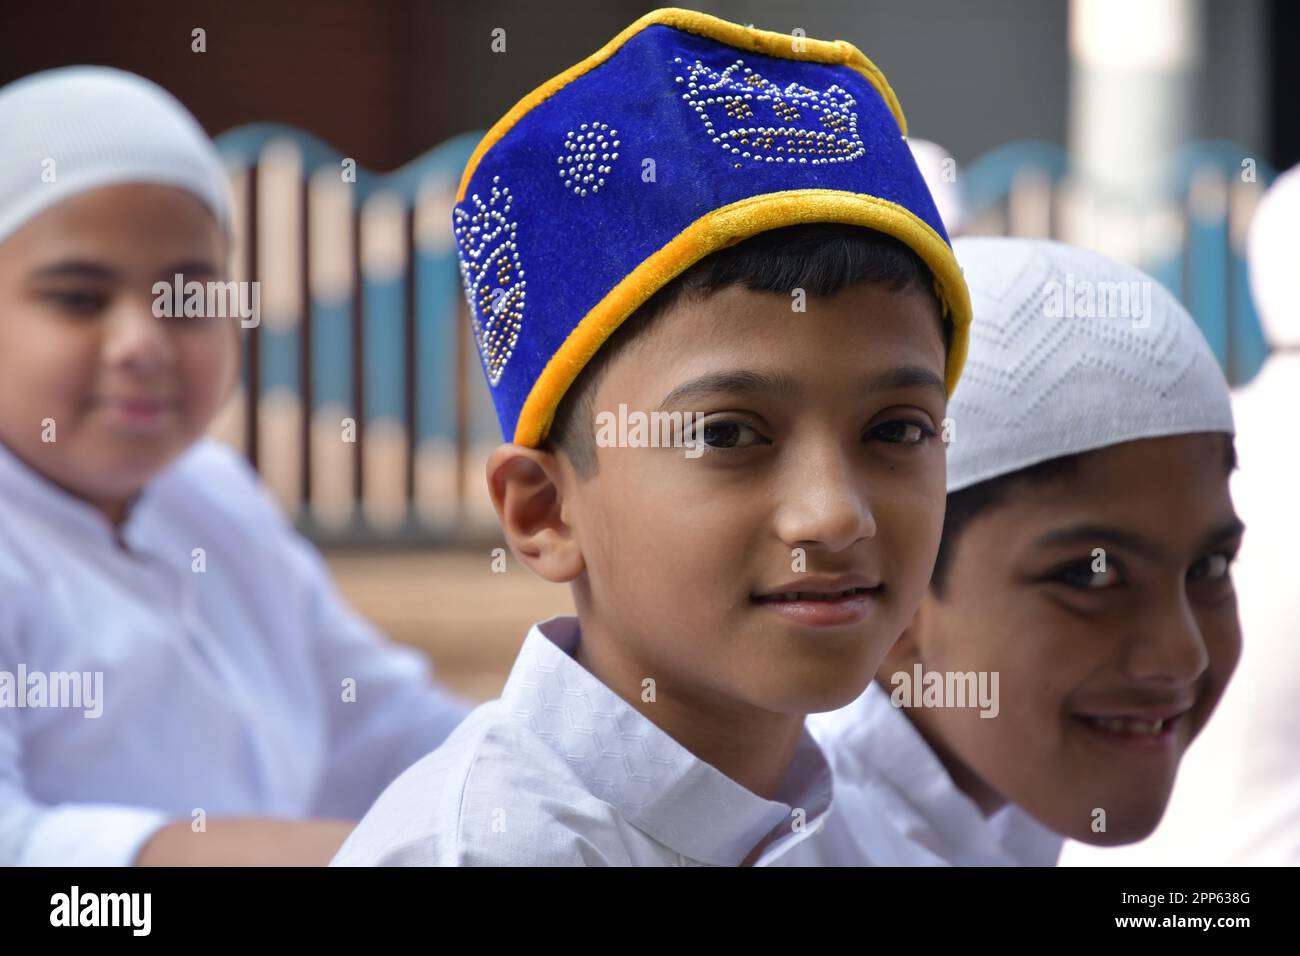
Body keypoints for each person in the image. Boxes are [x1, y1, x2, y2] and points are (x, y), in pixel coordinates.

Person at [332, 7, 971, 866]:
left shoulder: (860, 838)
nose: (833, 514)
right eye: (730, 433)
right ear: (544, 509)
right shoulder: (486, 850)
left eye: (896, 428)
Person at [0, 65, 471, 867]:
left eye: (188, 295)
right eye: (79, 298)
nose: (143, 343)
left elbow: (391, 730)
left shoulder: (214, 501)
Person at [780, 237, 1241, 865]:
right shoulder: (802, 845)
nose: (1182, 655)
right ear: (899, 581)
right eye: (1090, 576)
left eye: (1209, 568)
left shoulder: (1001, 803)